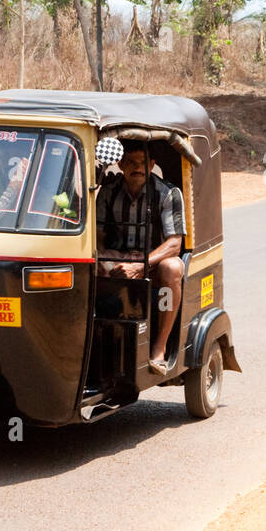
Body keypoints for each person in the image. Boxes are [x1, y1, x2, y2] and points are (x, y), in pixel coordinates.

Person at [97, 142, 185, 374]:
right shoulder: (108, 192)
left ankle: (159, 348)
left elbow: (174, 244)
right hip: (118, 260)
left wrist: (141, 265)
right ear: (120, 164)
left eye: (143, 163)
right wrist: (115, 260)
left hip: (153, 264)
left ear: (152, 165)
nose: (137, 168)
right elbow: (98, 239)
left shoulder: (168, 193)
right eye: (131, 163)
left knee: (173, 268)